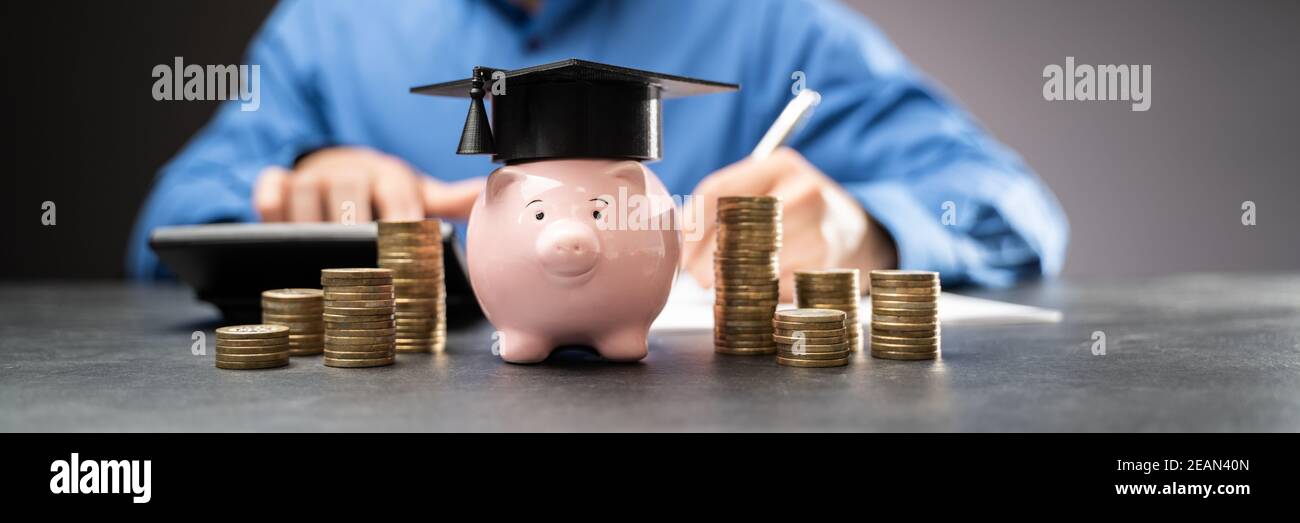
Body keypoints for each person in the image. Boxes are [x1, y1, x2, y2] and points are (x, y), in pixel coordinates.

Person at [128, 0, 1068, 296]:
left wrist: (867, 227)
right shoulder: (329, 26)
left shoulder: (773, 26)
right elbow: (168, 224)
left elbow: (1008, 203)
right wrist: (288, 190)